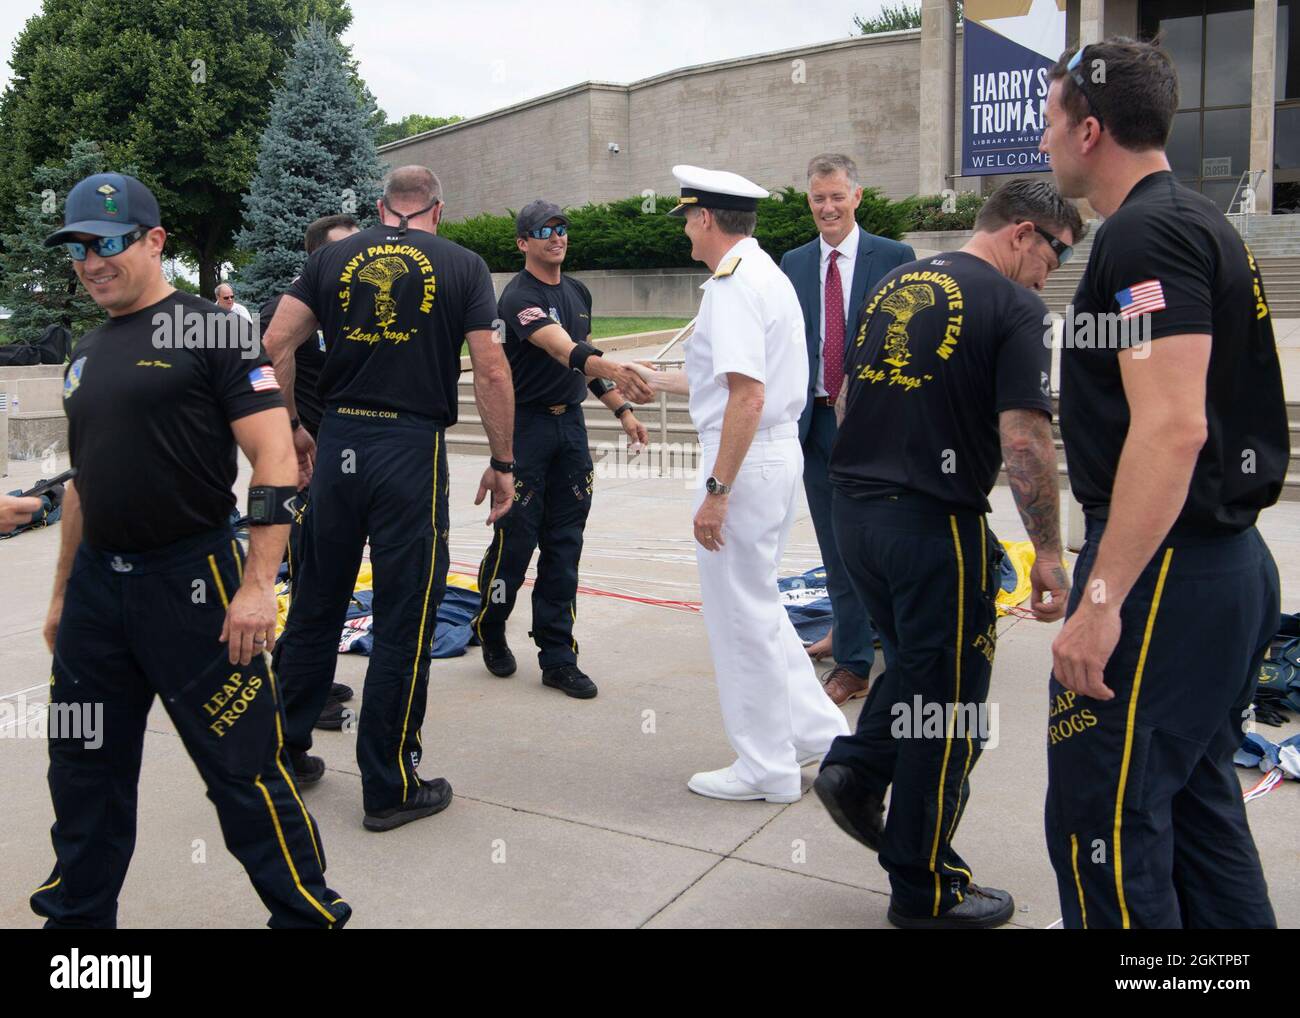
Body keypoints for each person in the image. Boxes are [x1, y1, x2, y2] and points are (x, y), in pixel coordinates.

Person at [32, 172, 348, 928]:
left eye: (108, 244)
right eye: (78, 247)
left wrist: (257, 585)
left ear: (154, 241)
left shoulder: (211, 329)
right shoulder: (88, 350)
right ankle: (79, 927)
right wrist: (61, 593)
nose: (91, 261)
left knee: (244, 772)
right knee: (82, 768)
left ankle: (306, 914)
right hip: (99, 597)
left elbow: (274, 457)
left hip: (195, 585)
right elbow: (82, 485)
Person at [1039, 37, 1289, 929]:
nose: (1043, 144)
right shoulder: (1193, 220)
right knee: (1194, 805)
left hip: (1166, 574)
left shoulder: (1148, 233)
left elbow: (1175, 425)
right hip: (1215, 565)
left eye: (1051, 123)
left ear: (1092, 130)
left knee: (1102, 821)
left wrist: (1101, 600)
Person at [814, 178, 1081, 929]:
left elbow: (841, 398)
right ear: (1025, 232)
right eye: (1054, 254)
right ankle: (926, 888)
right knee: (950, 710)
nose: (1050, 272)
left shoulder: (897, 279)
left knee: (916, 671)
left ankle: (857, 772)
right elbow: (1025, 437)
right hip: (932, 527)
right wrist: (1050, 555)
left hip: (856, 515)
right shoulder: (1014, 305)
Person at [262, 165, 516, 832]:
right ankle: (389, 783)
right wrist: (503, 460)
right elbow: (490, 366)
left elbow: (273, 345)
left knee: (316, 605)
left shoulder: (335, 257)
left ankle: (284, 755)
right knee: (405, 618)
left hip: (341, 438)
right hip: (409, 446)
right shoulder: (461, 265)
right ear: (438, 208)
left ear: (381, 207)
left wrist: (291, 428)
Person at [635, 165, 850, 803]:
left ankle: (765, 767)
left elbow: (746, 396)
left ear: (705, 218)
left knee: (738, 618)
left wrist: (717, 491)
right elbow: (731, 381)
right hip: (773, 454)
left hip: (745, 461)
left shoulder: (730, 287)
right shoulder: (766, 274)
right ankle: (817, 733)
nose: (686, 231)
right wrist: (648, 378)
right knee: (758, 604)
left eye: (687, 219)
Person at [471, 200, 652, 698]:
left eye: (563, 228)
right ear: (522, 242)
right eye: (544, 230)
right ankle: (489, 624)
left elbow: (580, 366)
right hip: (523, 429)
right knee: (515, 543)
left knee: (564, 543)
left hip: (568, 429)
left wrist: (622, 410)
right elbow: (561, 348)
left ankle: (557, 656)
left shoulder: (577, 291)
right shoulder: (517, 297)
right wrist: (616, 368)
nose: (557, 236)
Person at [780, 153, 915, 705]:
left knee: (880, 543)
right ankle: (854, 660)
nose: (828, 207)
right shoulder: (792, 262)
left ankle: (883, 642)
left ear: (857, 197)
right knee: (836, 547)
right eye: (818, 198)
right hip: (815, 428)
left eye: (837, 196)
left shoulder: (895, 257)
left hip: (874, 427)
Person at [262, 213, 360, 731]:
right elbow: (271, 364)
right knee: (309, 577)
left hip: (337, 459)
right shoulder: (290, 308)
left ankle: (309, 675)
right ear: (318, 257)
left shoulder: (346, 306)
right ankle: (299, 691)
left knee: (324, 578)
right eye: (343, 248)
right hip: (302, 462)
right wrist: (294, 434)